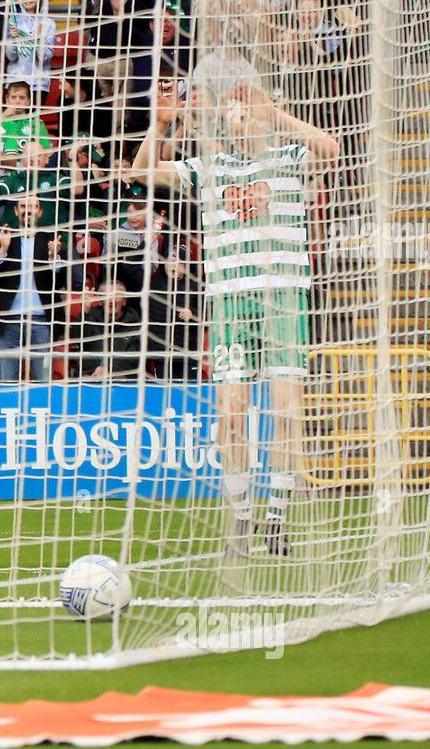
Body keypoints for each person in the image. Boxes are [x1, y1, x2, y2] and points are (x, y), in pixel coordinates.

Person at [135, 86, 338, 562]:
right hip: (229, 303)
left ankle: (277, 517)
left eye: (246, 112)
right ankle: (243, 515)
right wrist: (161, 124)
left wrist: (280, 115)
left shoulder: (290, 156)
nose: (238, 119)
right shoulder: (211, 169)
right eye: (232, 113)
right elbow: (142, 171)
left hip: (284, 299)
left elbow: (333, 149)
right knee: (231, 416)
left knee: (286, 411)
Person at [0, 195, 68, 383]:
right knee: (7, 381)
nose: (27, 210)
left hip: (42, 321)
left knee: (43, 380)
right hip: (9, 320)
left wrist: (54, 257)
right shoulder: (4, 239)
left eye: (33, 206)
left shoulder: (52, 241)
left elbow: (61, 281)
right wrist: (3, 250)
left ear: (40, 212)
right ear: (15, 211)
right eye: (23, 206)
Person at [74, 279, 142, 379]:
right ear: (100, 301)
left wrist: (107, 368)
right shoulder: (90, 318)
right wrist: (85, 311)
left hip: (121, 376)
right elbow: (78, 339)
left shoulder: (135, 325)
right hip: (90, 374)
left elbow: (133, 360)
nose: (111, 301)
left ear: (125, 301)